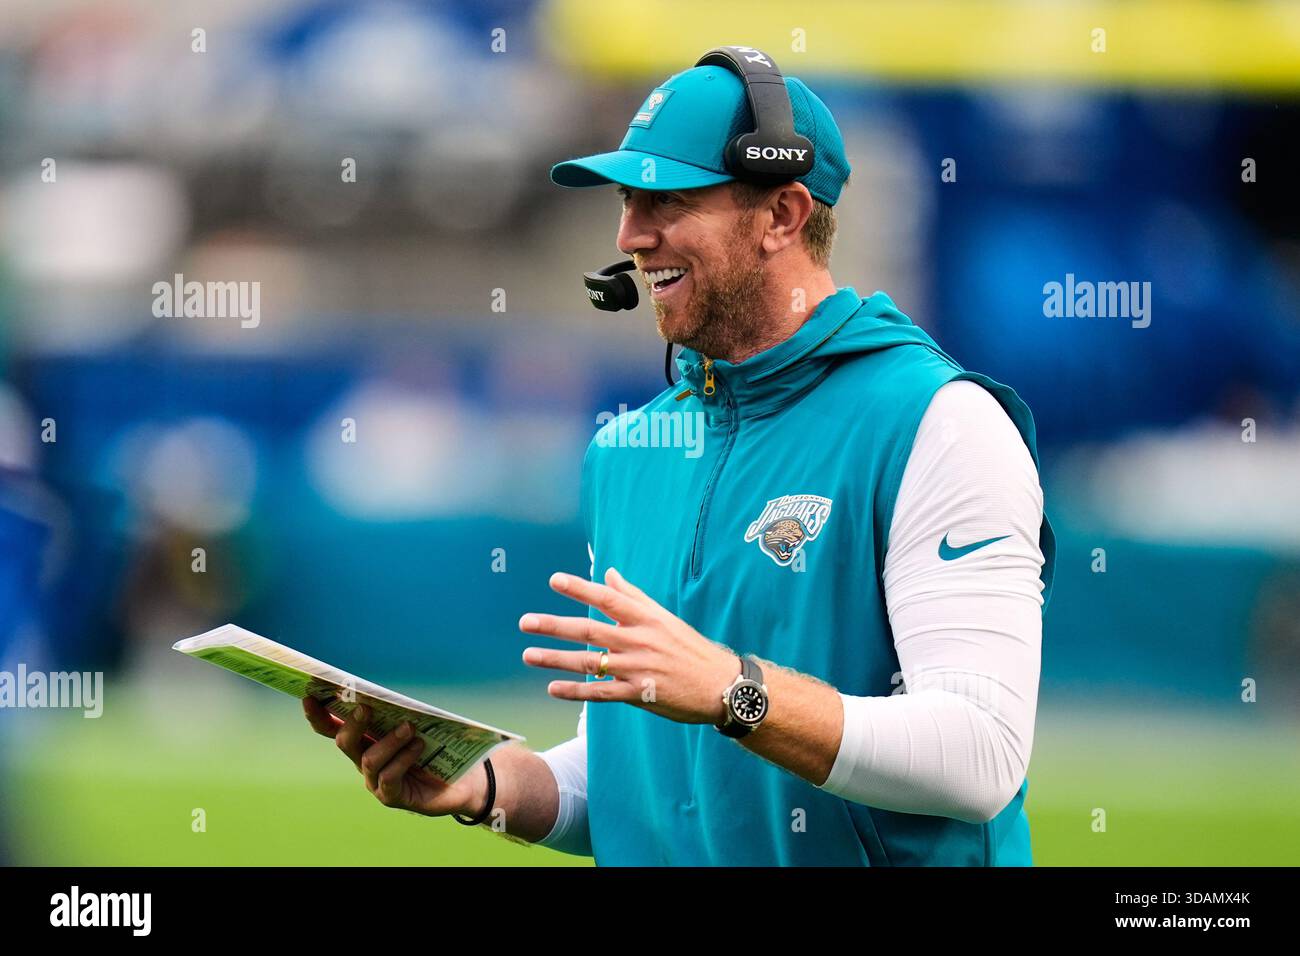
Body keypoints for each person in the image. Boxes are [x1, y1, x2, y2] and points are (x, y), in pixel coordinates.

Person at [304, 46, 1056, 865]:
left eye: (666, 199)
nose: (631, 235)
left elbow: (980, 754)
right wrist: (484, 786)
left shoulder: (939, 422)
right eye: (629, 200)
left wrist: (736, 691)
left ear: (782, 216)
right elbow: (634, 777)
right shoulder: (627, 450)